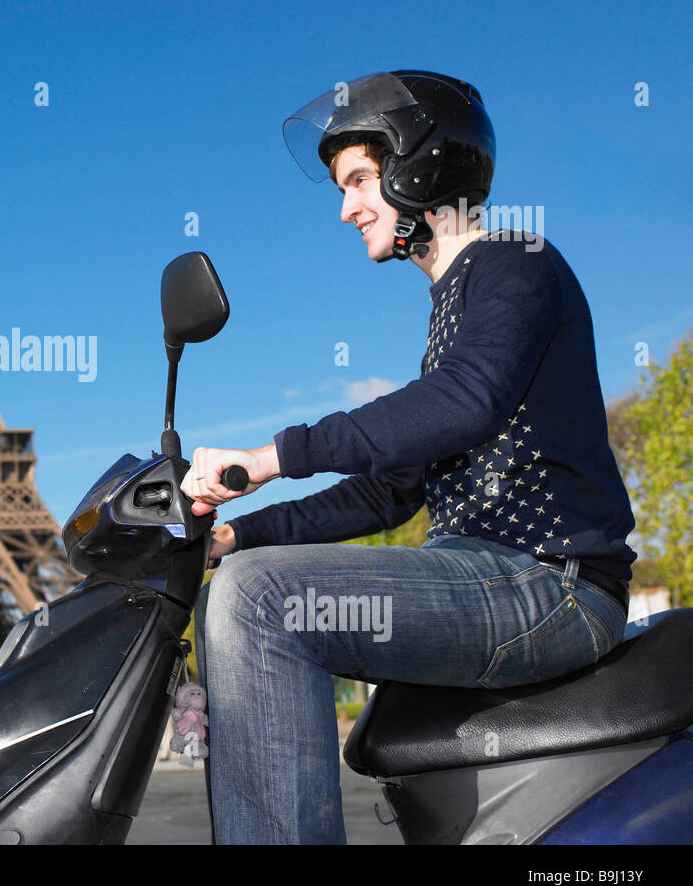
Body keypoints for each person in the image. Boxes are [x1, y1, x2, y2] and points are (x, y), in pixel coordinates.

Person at [183, 70, 636, 844]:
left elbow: (468, 399)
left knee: (257, 601)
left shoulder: (515, 261)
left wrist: (271, 456)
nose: (346, 207)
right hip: (493, 577)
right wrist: (237, 534)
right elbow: (385, 494)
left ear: (418, 167)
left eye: (360, 179)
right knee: (239, 577)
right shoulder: (450, 318)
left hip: (548, 581)